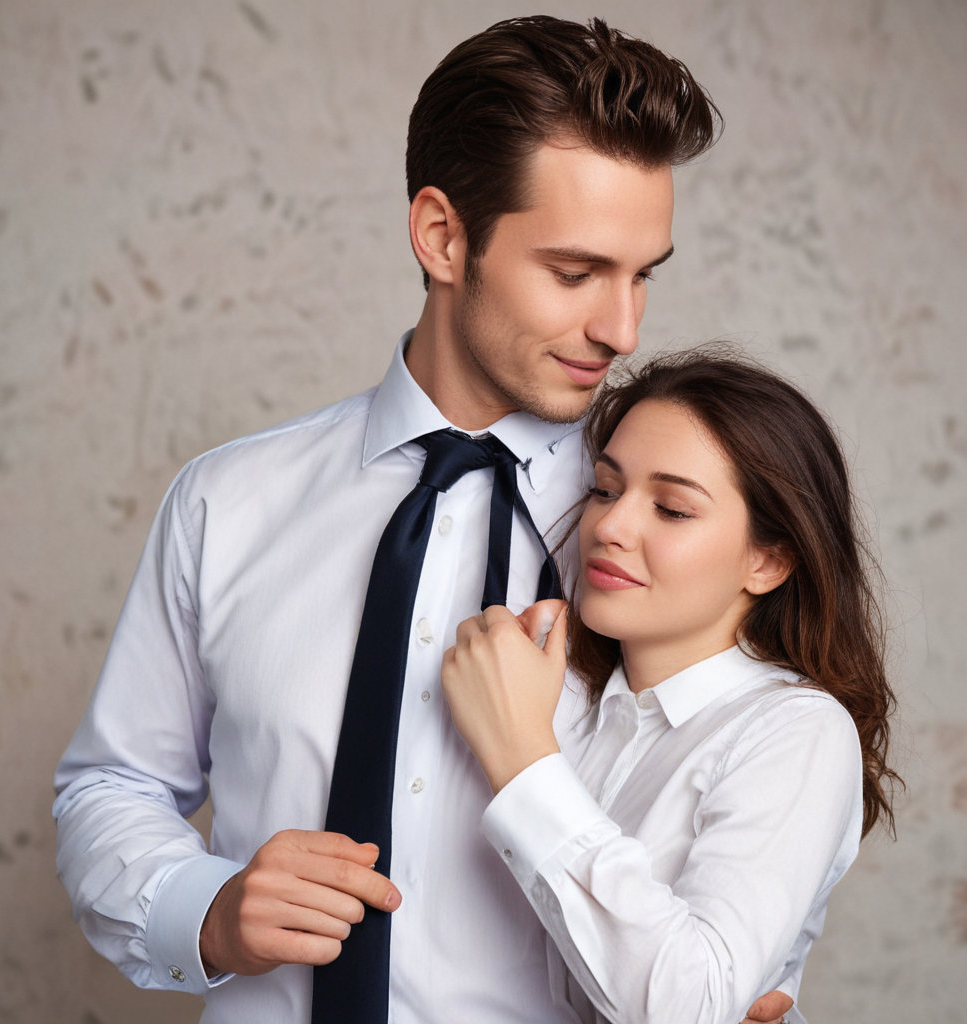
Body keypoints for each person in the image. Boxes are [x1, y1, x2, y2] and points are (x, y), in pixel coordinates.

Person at [54, 17, 793, 1024]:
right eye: (575, 274)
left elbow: (763, 791)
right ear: (442, 236)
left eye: (642, 274)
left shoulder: (668, 540)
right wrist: (210, 909)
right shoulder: (228, 503)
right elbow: (113, 786)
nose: (621, 329)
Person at [441, 350, 900, 1024]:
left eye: (674, 509)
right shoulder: (559, 697)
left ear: (768, 560)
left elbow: (691, 1004)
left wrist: (521, 759)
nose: (612, 527)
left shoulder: (794, 730)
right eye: (605, 489)